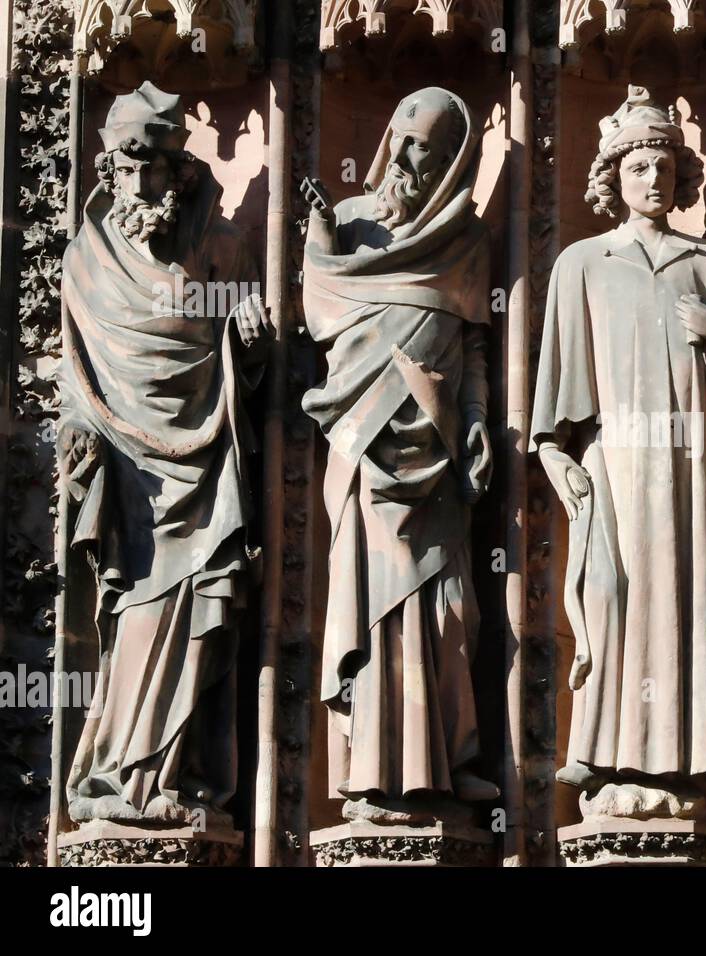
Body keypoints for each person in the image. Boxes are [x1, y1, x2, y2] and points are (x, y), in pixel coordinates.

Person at [530, 86, 706, 819]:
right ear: (613, 178)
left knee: (683, 593)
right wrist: (551, 449)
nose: (652, 180)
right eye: (637, 168)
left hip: (689, 465)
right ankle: (607, 757)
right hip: (615, 459)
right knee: (614, 594)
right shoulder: (582, 264)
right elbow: (558, 377)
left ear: (681, 176)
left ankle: (684, 764)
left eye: (663, 166)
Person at [59, 81, 269, 824]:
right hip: (128, 475)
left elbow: (251, 361)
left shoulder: (223, 246)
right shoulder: (84, 260)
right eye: (128, 164)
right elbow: (76, 377)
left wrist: (250, 347)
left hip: (204, 468)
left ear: (181, 171)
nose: (143, 181)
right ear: (107, 168)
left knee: (200, 617)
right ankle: (120, 777)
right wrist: (77, 433)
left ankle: (179, 778)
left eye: (158, 166)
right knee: (133, 615)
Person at [300, 87, 498, 821]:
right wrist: (320, 240)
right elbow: (319, 311)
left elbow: (475, 340)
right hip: (361, 441)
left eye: (432, 150)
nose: (412, 159)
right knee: (369, 604)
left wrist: (476, 417)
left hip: (437, 440)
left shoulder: (464, 240)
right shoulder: (349, 224)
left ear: (452, 164)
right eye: (406, 140)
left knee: (449, 608)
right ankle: (369, 769)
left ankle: (445, 755)